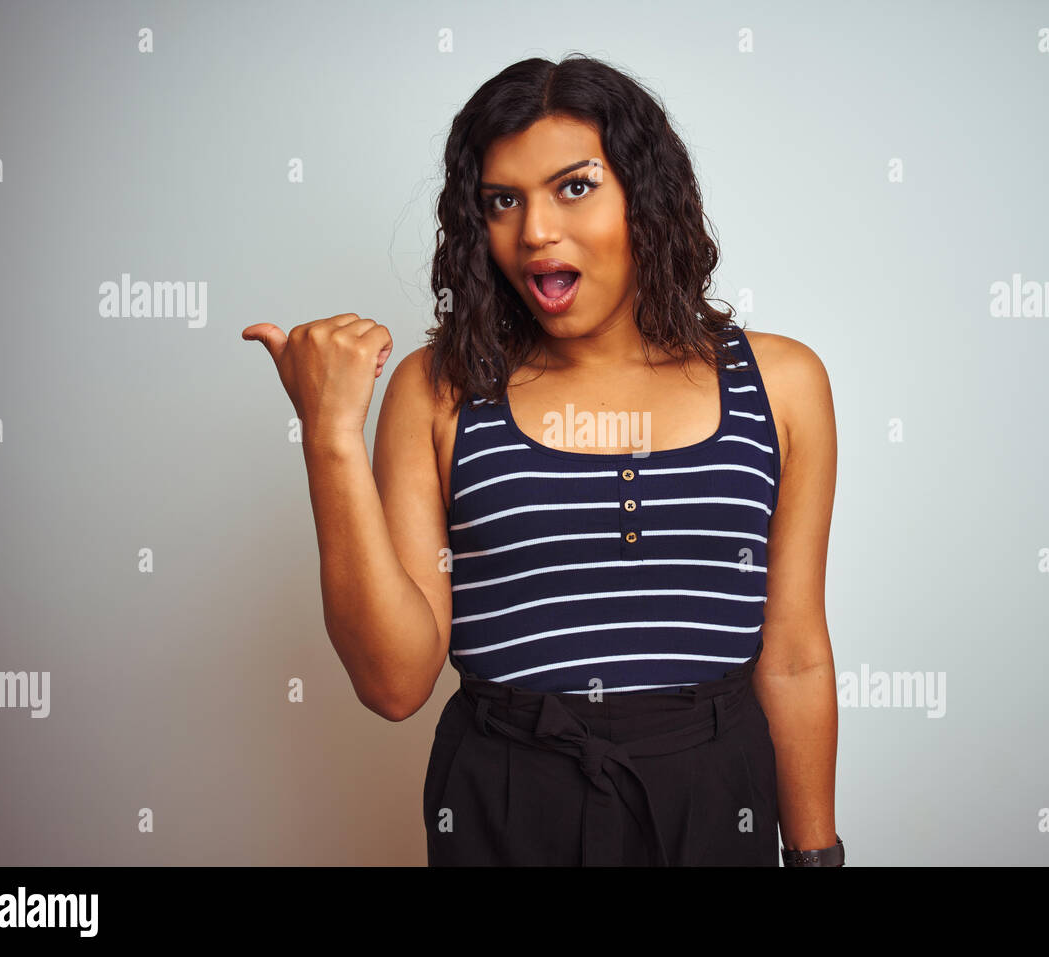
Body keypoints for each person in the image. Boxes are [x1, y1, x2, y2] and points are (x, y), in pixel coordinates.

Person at [243, 54, 841, 867]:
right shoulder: (439, 390)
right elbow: (394, 683)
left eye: (575, 187)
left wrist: (815, 857)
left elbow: (797, 653)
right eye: (503, 200)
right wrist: (328, 435)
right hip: (506, 803)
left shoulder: (781, 383)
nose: (535, 232)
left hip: (714, 799)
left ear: (646, 196)